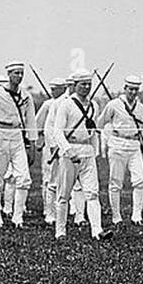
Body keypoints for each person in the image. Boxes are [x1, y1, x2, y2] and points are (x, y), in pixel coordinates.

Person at [51, 70, 112, 241]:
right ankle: (60, 231)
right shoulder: (66, 105)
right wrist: (68, 151)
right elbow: (58, 131)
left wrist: (95, 152)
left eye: (88, 84)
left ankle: (97, 231)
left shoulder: (94, 106)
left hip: (87, 152)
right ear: (74, 86)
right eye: (82, 84)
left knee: (92, 193)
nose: (86, 87)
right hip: (70, 151)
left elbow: (93, 132)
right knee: (63, 194)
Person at [0, 61, 37, 228]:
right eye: (15, 73)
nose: (18, 76)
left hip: (17, 135)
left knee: (24, 178)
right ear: (9, 74)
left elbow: (31, 121)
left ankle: (18, 218)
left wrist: (32, 144)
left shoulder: (26, 96)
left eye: (21, 73)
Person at [98, 75, 143, 226]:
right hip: (117, 144)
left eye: (136, 90)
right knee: (116, 182)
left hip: (134, 145)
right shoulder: (114, 104)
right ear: (125, 89)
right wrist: (105, 140)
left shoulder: (141, 108)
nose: (133, 92)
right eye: (131, 89)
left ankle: (137, 216)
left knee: (141, 180)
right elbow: (100, 122)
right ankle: (116, 216)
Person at [36, 77, 68, 224]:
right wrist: (50, 144)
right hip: (51, 147)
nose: (53, 91)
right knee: (49, 179)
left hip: (67, 146)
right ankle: (48, 211)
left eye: (56, 89)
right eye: (52, 89)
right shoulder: (48, 104)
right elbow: (41, 124)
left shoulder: (67, 102)